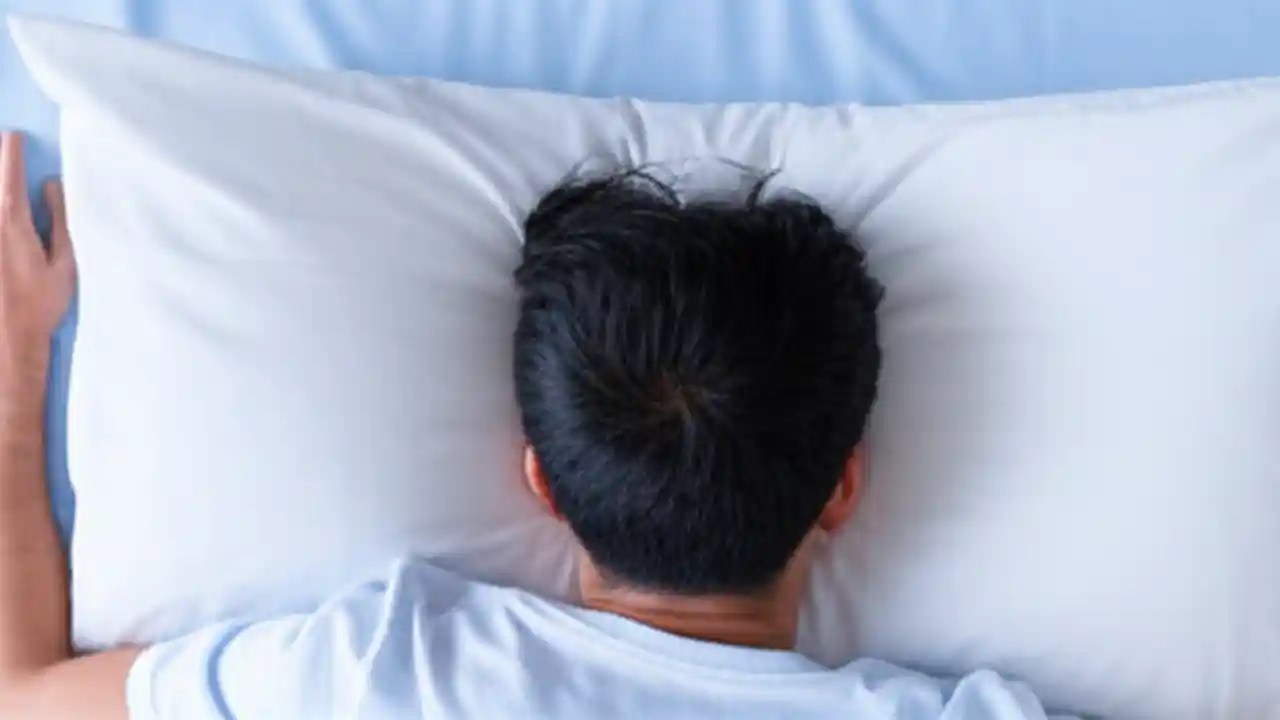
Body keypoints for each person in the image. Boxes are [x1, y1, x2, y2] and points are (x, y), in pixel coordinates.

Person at [0, 130, 1062, 719]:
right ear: (845, 488)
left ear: (540, 481)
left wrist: (19, 370)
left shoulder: (382, 676)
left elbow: (24, 695)